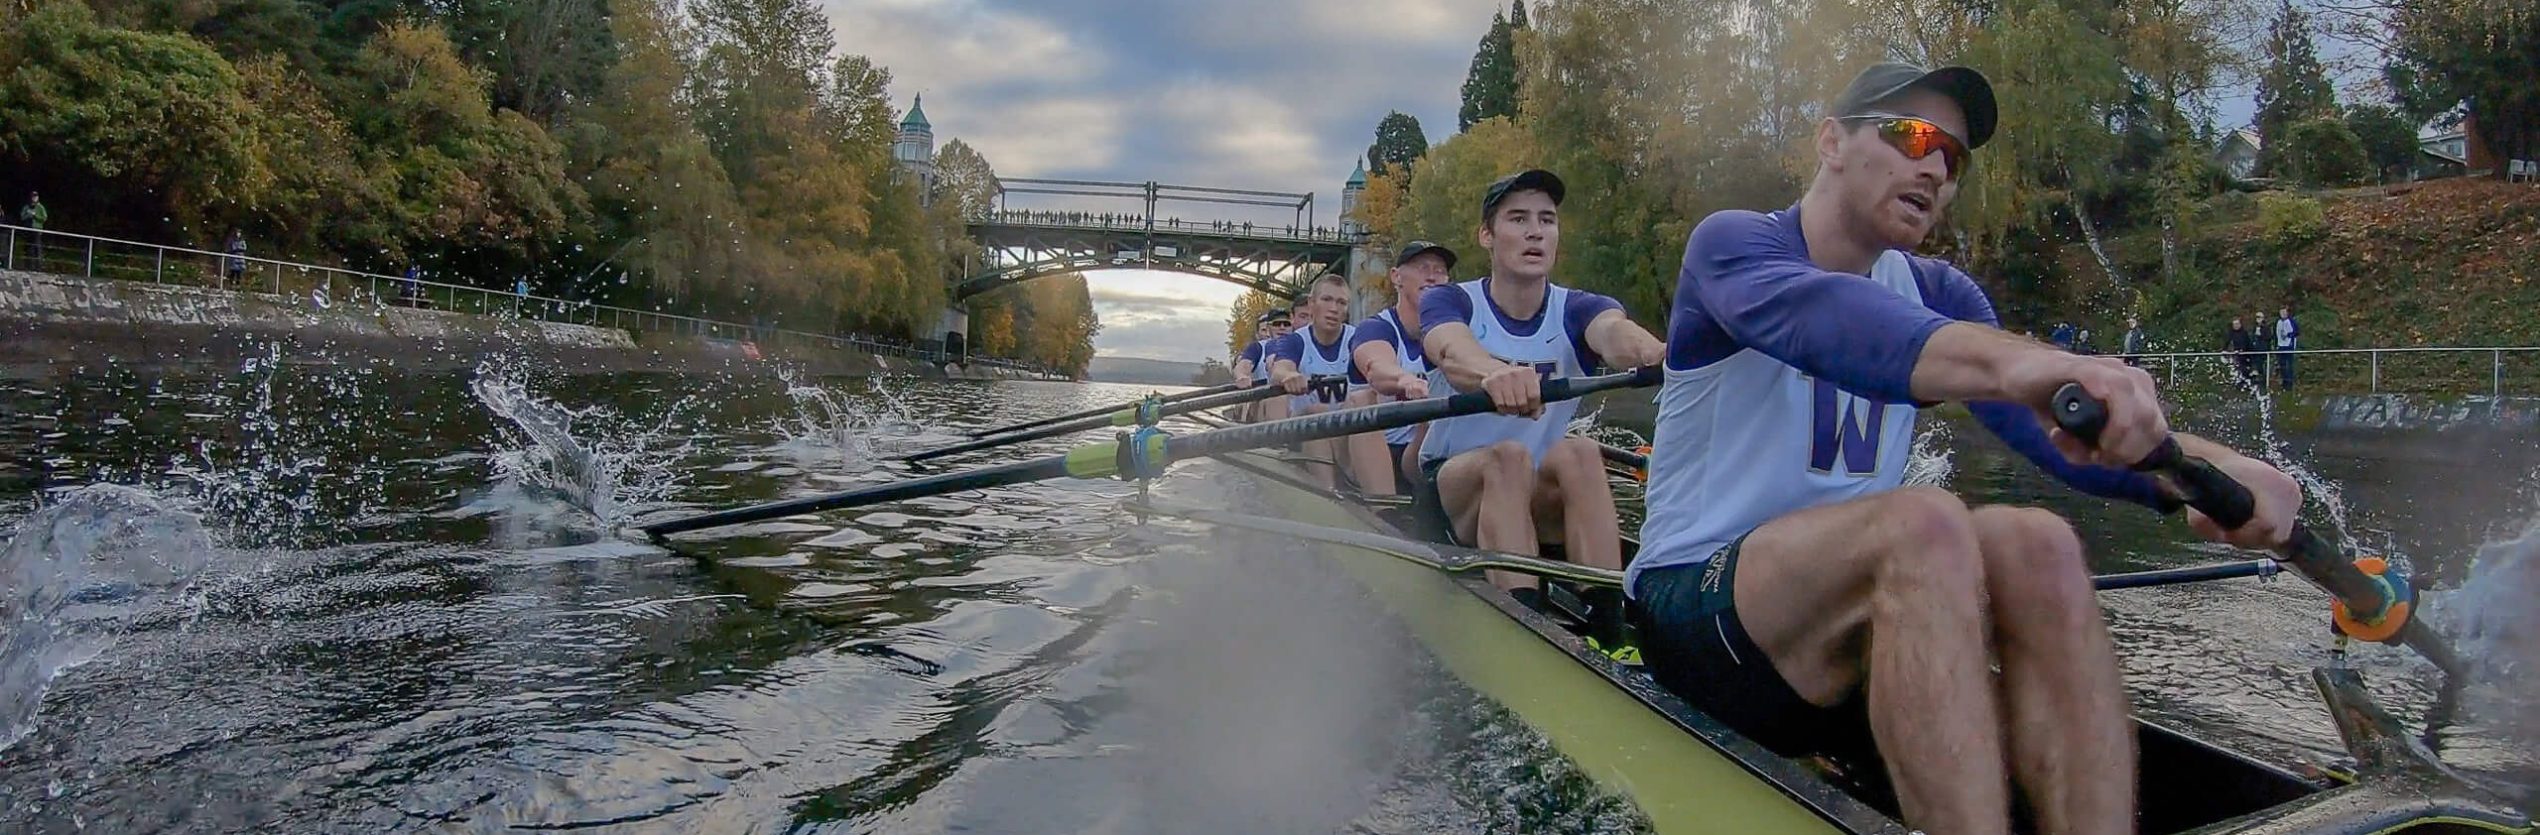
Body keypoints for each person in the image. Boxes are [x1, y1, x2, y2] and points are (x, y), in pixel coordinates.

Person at [1628, 63, 2302, 835]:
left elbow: (2053, 432)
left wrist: (2211, 477)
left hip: (1846, 623)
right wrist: (2025, 362)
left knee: (2038, 539)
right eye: (1911, 135)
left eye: (1953, 157)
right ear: (1832, 142)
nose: (1934, 168)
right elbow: (1845, 328)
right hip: (1694, 610)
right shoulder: (1733, 246)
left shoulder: (1944, 295)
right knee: (1925, 521)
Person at [1415, 168, 1666, 598]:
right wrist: (1493, 374)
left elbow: (1615, 334)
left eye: (1546, 220)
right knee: (1508, 457)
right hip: (1455, 489)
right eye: (1518, 219)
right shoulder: (1451, 299)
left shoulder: (1579, 308)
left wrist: (1657, 353)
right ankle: (1525, 618)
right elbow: (1451, 349)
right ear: (1486, 236)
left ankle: (1609, 618)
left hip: (1530, 484)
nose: (1535, 232)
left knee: (1581, 452)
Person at [1345, 240, 1455, 495]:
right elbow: (1376, 366)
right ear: (1396, 277)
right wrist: (1405, 380)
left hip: (1421, 451)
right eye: (1421, 268)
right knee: (1361, 399)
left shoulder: (1454, 332)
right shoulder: (1376, 328)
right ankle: (1383, 507)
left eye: (1439, 271)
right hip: (1376, 449)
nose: (1431, 277)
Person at [1266, 274, 1360, 487]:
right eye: (1326, 300)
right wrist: (1290, 376)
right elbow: (1280, 370)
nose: (1334, 308)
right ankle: (1329, 491)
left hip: (1347, 429)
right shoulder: (1296, 340)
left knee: (1353, 405)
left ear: (1346, 310)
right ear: (1311, 304)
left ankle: (1351, 483)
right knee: (1317, 411)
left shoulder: (1357, 339)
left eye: (1341, 302)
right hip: (1304, 429)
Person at [2226, 316, 2256, 385]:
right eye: (2234, 324)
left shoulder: (2244, 333)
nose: (2236, 326)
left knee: (2245, 370)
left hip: (2245, 355)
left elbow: (2247, 343)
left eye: (2237, 324)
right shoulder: (2231, 333)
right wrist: (2225, 350)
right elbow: (2227, 342)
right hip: (2235, 355)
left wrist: (2241, 350)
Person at [2275, 305, 2298, 391]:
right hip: (2281, 346)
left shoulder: (2291, 321)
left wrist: (2288, 335)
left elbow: (2296, 332)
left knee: (2289, 364)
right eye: (2281, 312)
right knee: (2282, 364)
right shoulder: (2278, 322)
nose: (2283, 314)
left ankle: (2289, 381)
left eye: (2284, 312)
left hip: (2289, 345)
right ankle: (2284, 380)